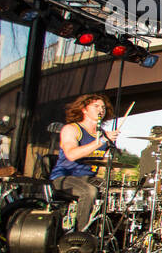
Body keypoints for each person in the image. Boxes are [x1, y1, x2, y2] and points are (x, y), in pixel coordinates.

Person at [50, 93, 118, 232]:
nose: (101, 109)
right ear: (84, 109)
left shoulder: (102, 134)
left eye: (103, 107)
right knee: (89, 191)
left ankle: (105, 233)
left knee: (115, 191)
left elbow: (100, 159)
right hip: (65, 178)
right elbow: (71, 154)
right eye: (96, 106)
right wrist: (102, 141)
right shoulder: (72, 129)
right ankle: (80, 235)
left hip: (89, 178)